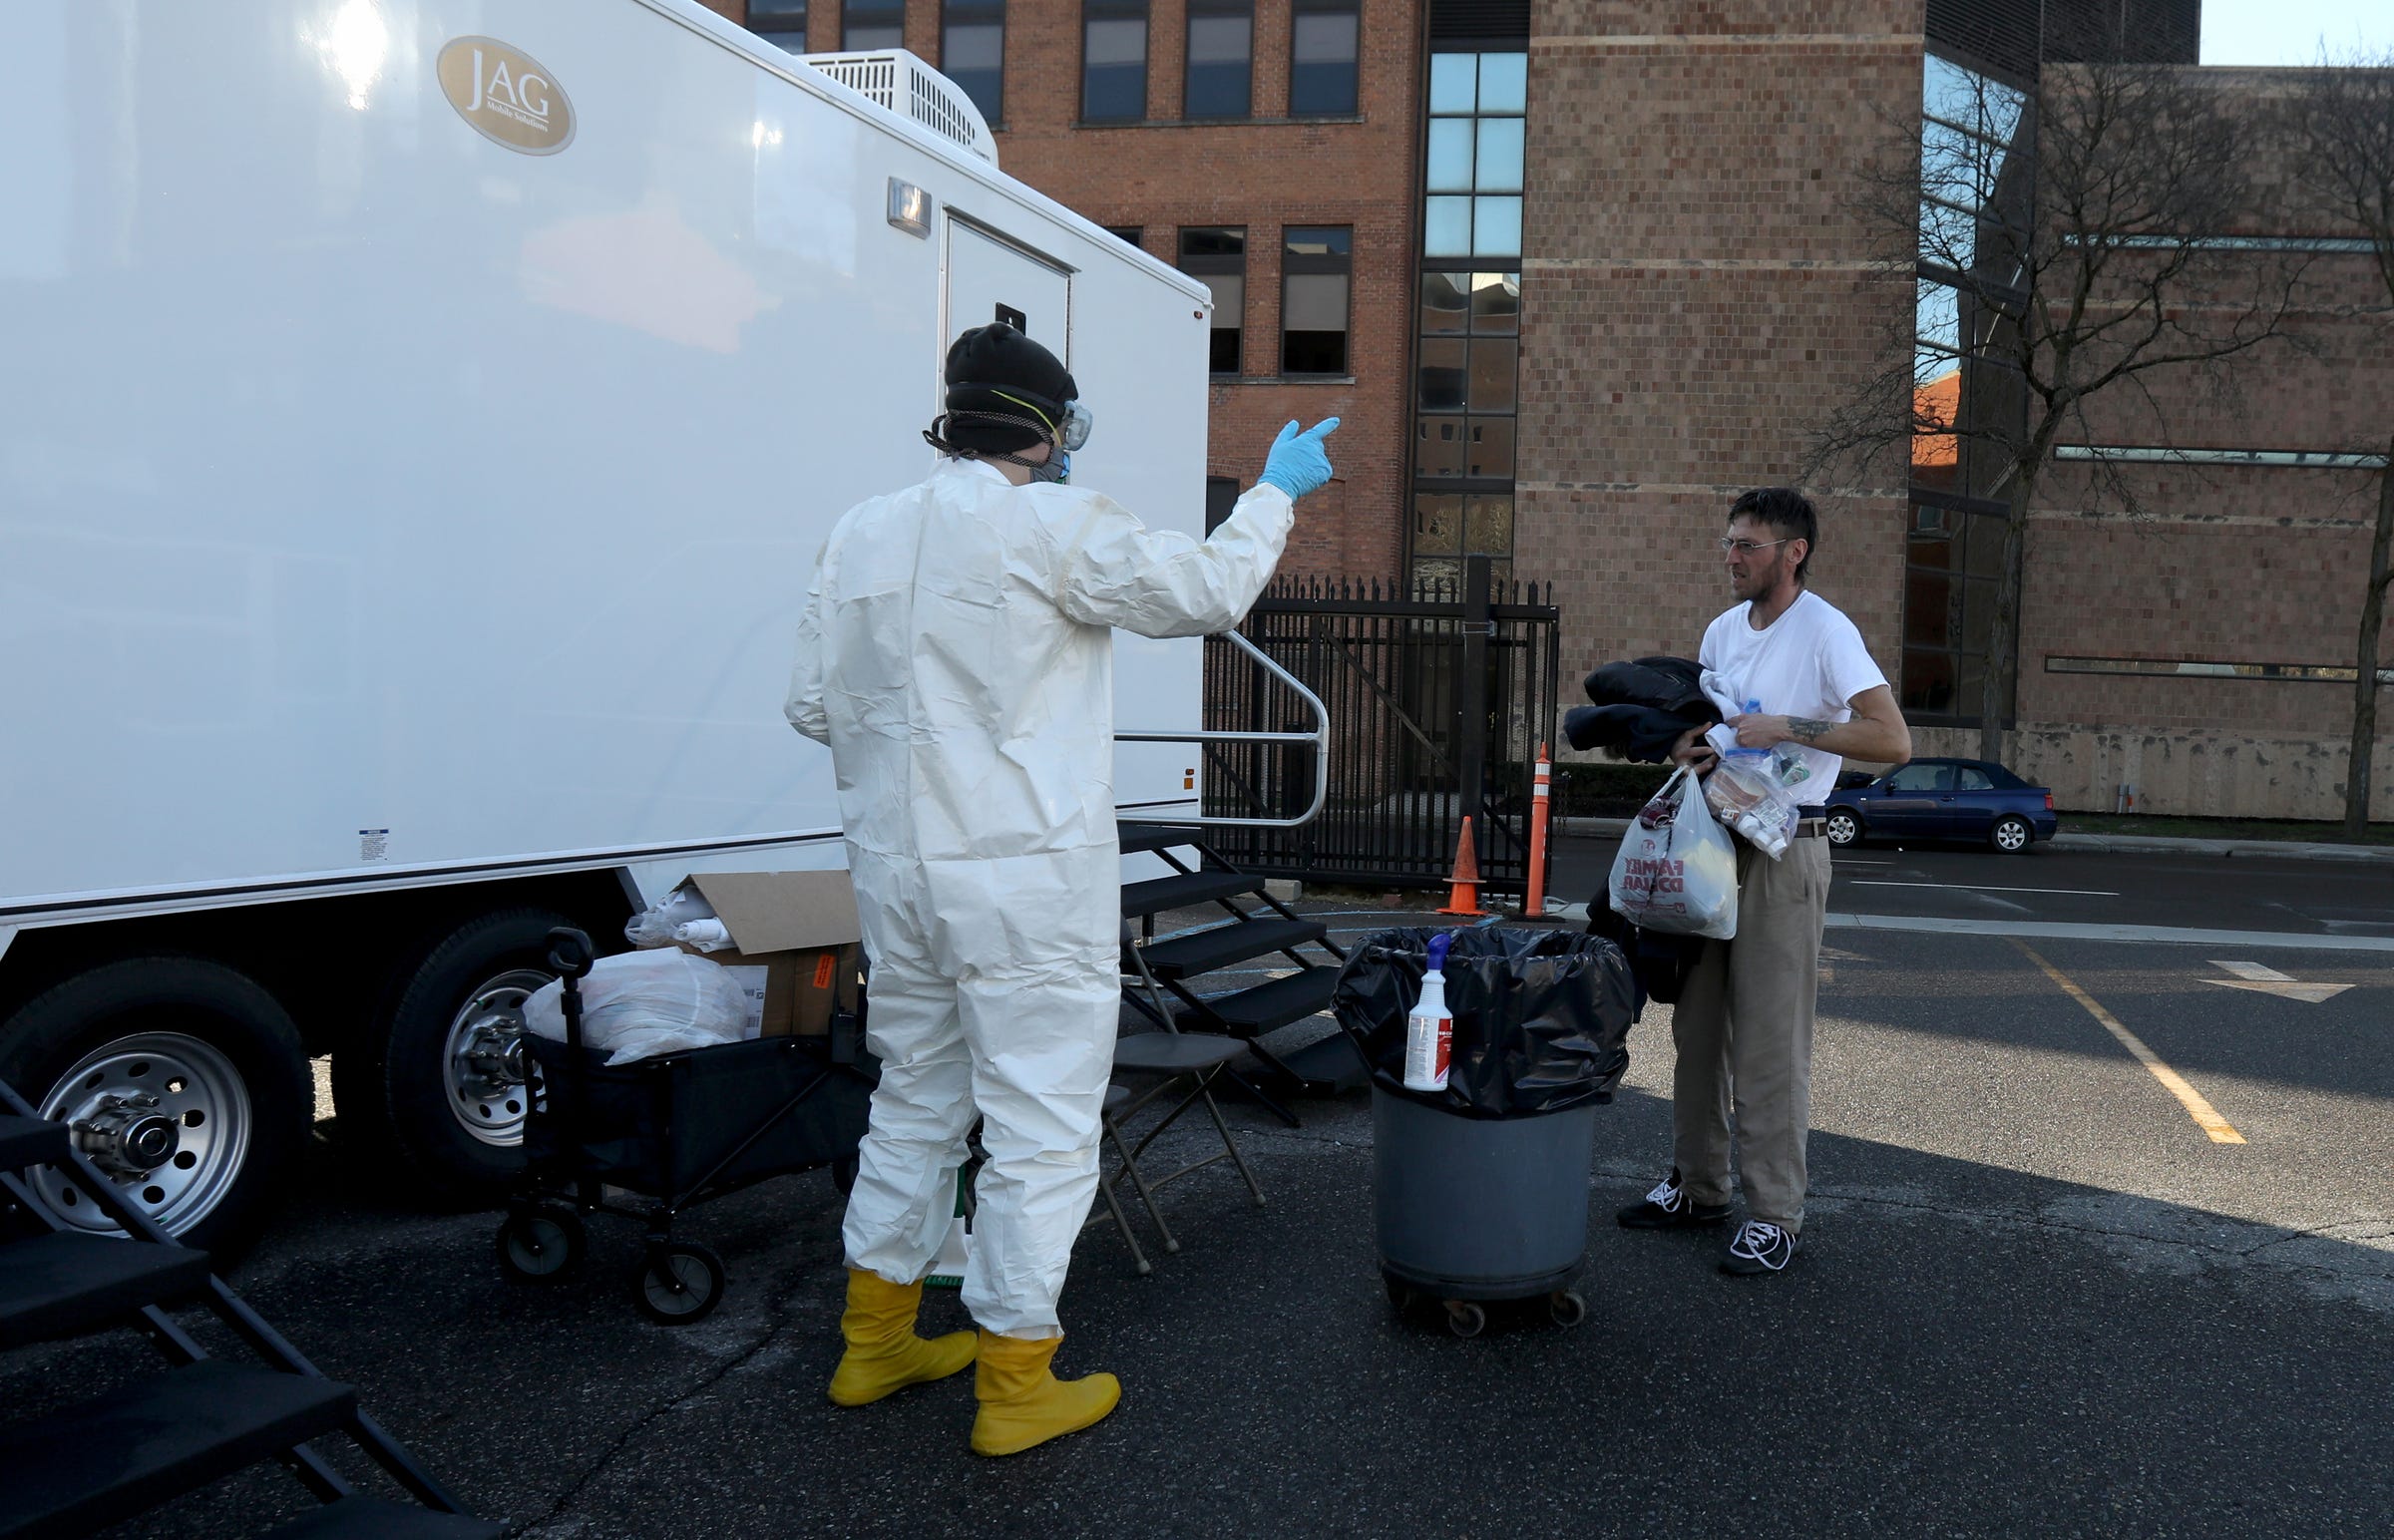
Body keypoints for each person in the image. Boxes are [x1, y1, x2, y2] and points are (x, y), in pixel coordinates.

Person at [785, 321, 1338, 1454]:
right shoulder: (1055, 525)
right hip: (1025, 882)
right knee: (1038, 1120)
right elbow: (1211, 590)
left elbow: (809, 705)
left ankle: (874, 1338)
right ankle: (1013, 1381)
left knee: (916, 1100)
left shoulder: (860, 535)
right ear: (1045, 430)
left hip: (900, 880)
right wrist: (1276, 492)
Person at [1615, 487, 1909, 1276]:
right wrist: (1688, 745)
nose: (1732, 557)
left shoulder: (1826, 631)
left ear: (1793, 552)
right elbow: (1707, 721)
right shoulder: (1721, 630)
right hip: (1713, 836)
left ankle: (1775, 1214)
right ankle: (1700, 1185)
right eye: (1729, 543)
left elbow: (1893, 740)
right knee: (1697, 1028)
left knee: (1772, 1043)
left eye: (1747, 545)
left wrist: (1790, 726)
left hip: (1787, 847)